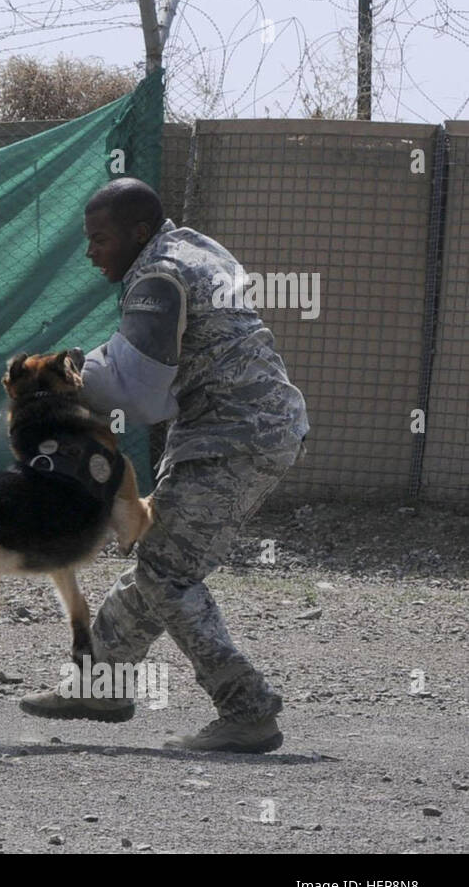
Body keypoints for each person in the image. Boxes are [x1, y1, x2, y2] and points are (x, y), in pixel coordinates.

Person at [19, 177, 309, 753]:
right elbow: (140, 360)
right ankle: (100, 683)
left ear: (139, 232)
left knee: (167, 572)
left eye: (100, 239)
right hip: (248, 428)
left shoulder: (156, 277)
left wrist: (66, 385)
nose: (90, 252)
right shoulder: (193, 248)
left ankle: (246, 707)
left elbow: (143, 396)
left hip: (232, 436)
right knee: (161, 559)